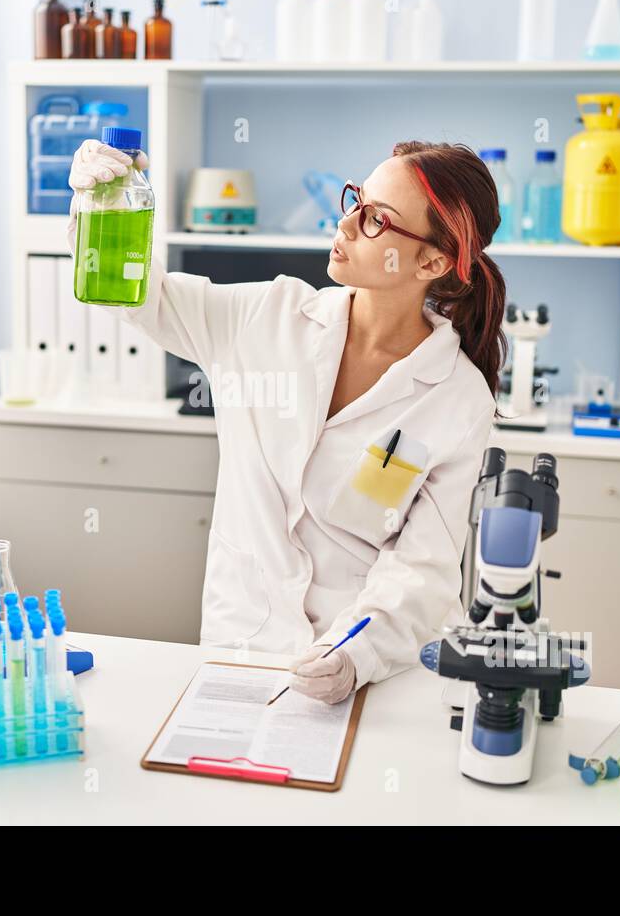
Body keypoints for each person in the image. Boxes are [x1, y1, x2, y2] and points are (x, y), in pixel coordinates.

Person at [68, 140, 505, 704]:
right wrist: (97, 207)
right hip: (240, 648)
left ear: (432, 262)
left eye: (377, 220)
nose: (346, 223)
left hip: (367, 674)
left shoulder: (457, 399)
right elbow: (131, 296)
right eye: (357, 200)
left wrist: (355, 654)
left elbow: (425, 565)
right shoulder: (266, 318)